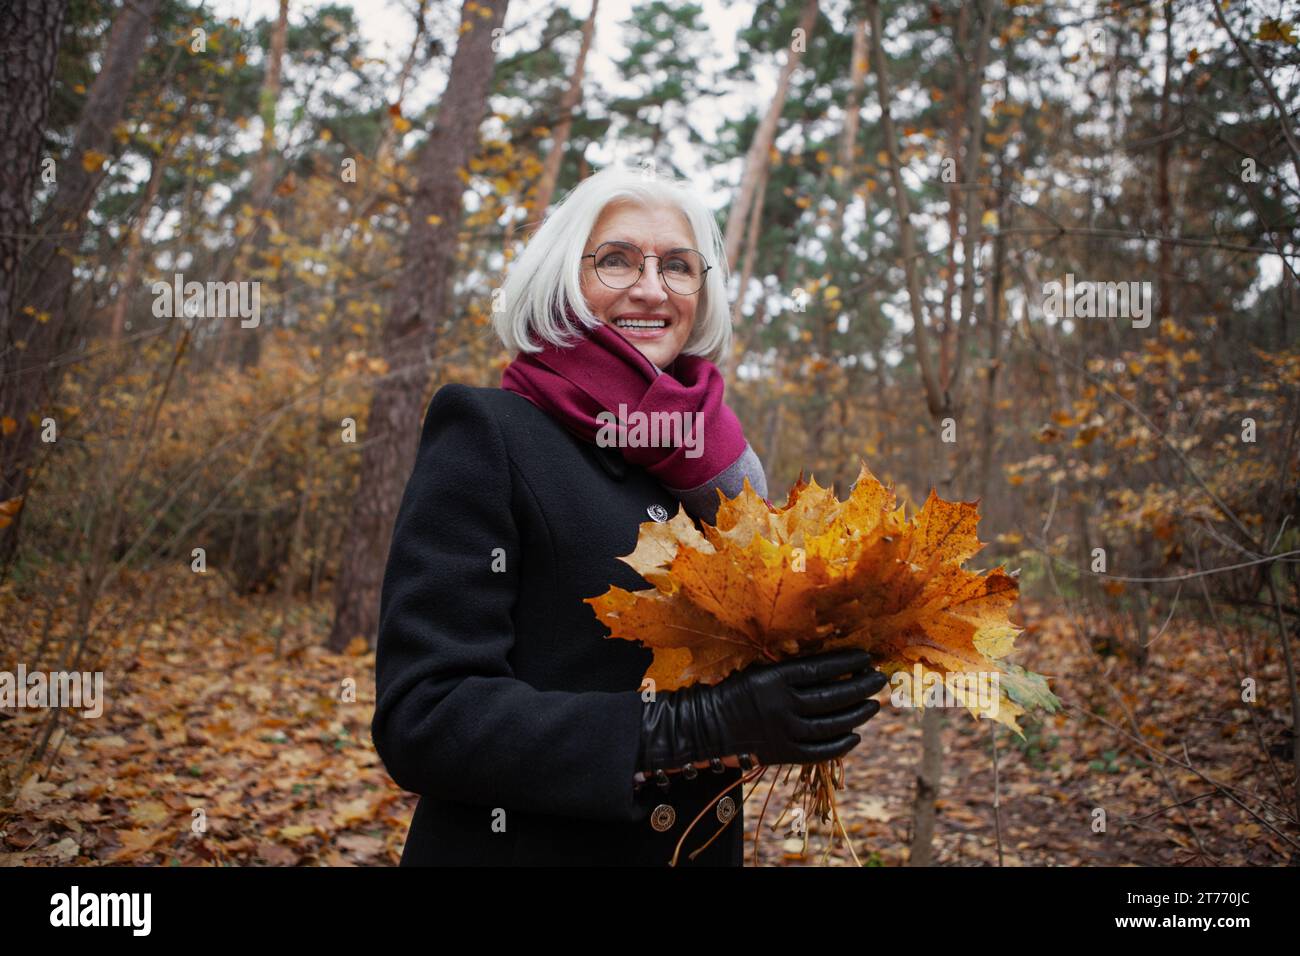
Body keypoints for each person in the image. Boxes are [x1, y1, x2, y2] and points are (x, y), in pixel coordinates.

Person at [371, 163, 888, 866]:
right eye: (615, 261)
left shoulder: (727, 470)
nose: (651, 288)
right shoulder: (489, 433)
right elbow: (425, 718)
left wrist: (809, 690)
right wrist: (693, 729)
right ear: (561, 279)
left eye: (678, 266)